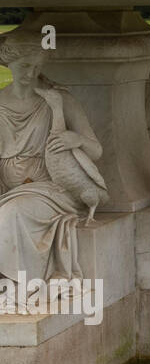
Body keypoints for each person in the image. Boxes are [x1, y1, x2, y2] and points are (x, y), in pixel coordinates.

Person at [0, 34, 104, 293]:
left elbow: (97, 150)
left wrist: (75, 139)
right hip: (7, 186)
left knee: (12, 213)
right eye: (24, 66)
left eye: (36, 67)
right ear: (8, 63)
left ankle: (15, 284)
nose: (30, 73)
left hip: (51, 188)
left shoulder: (60, 100)